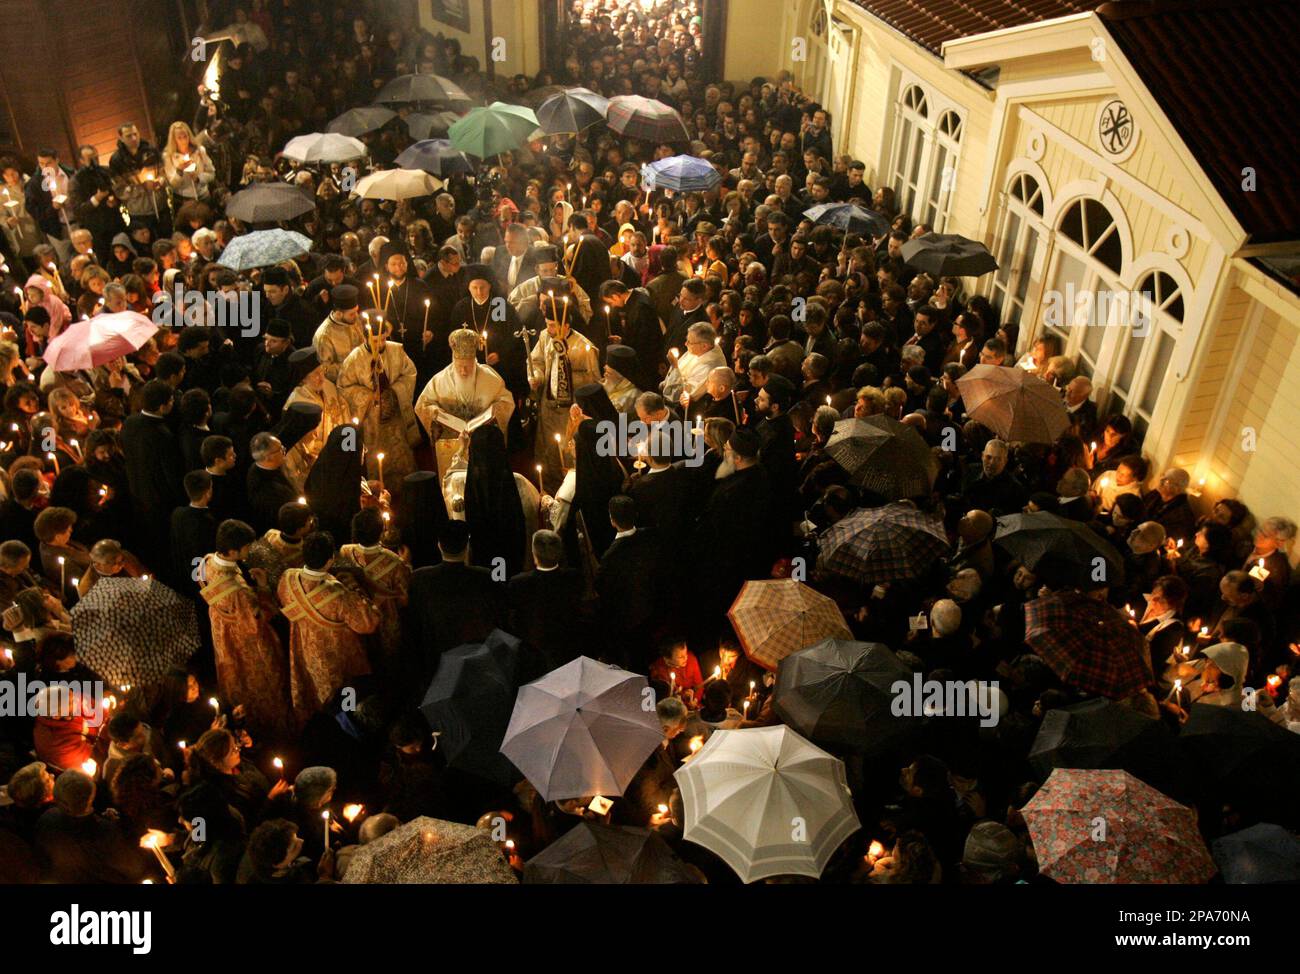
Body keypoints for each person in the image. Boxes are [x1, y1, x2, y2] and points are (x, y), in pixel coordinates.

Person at [278, 531, 380, 729]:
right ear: (330, 559)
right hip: (337, 657)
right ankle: (346, 726)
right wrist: (359, 593)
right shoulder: (338, 594)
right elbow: (368, 624)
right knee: (343, 697)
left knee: (312, 689)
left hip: (303, 648)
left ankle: (318, 726)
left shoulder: (287, 578)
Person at [199, 519, 290, 740]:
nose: (250, 550)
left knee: (234, 679)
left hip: (222, 632)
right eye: (247, 547)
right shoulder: (239, 590)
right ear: (232, 551)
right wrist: (262, 587)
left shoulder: (207, 561)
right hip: (247, 642)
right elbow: (257, 621)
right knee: (263, 684)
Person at [415, 328, 514, 481]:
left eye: (468, 366)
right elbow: (423, 405)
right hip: (452, 445)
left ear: (474, 361)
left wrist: (494, 412)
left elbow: (507, 402)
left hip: (482, 443)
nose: (463, 371)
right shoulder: (440, 380)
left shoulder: (490, 378)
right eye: (459, 365)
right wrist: (435, 414)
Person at [529, 286, 601, 493]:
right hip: (548, 405)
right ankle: (549, 487)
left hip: (571, 411)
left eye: (553, 326)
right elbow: (537, 361)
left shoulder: (583, 346)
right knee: (548, 448)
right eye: (547, 324)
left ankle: (570, 489)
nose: (549, 329)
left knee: (568, 451)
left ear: (566, 325)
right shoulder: (545, 337)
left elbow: (593, 382)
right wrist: (536, 377)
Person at [336, 318, 419, 483]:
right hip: (371, 419)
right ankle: (380, 487)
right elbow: (343, 387)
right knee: (376, 454)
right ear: (365, 338)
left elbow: (410, 373)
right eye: (375, 340)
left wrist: (394, 392)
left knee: (400, 451)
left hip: (395, 414)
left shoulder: (396, 350)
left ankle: (405, 484)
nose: (380, 343)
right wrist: (369, 397)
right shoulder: (355, 358)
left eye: (383, 338)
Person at [339, 508, 410, 683]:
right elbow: (404, 600)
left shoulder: (345, 551)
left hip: (357, 621)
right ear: (380, 533)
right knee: (389, 666)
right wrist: (407, 564)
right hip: (386, 621)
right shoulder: (394, 562)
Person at [506, 529, 587, 674]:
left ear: (534, 555)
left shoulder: (519, 583)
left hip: (534, 653)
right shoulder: (574, 578)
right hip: (569, 648)